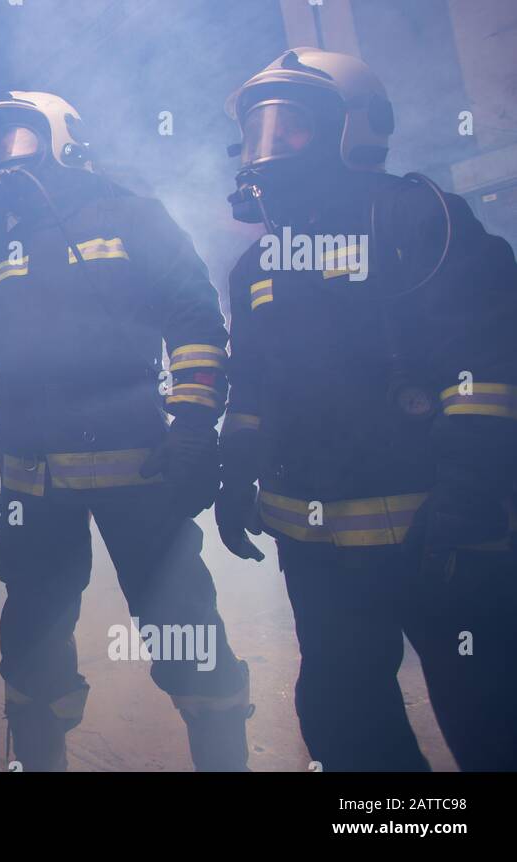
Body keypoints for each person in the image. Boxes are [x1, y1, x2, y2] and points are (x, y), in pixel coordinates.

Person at [218, 48, 517, 771]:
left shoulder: (421, 220)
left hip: (439, 539)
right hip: (317, 552)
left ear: (352, 130)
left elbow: (488, 366)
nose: (268, 148)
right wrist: (233, 473)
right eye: (259, 130)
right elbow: (253, 386)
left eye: (289, 128)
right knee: (345, 720)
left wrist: (471, 497)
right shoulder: (257, 267)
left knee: (489, 713)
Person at [0, 91, 251, 771]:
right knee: (31, 645)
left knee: (183, 632)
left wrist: (196, 421)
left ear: (62, 140)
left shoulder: (134, 216)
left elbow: (195, 321)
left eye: (18, 138)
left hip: (144, 476)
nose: (3, 156)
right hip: (33, 488)